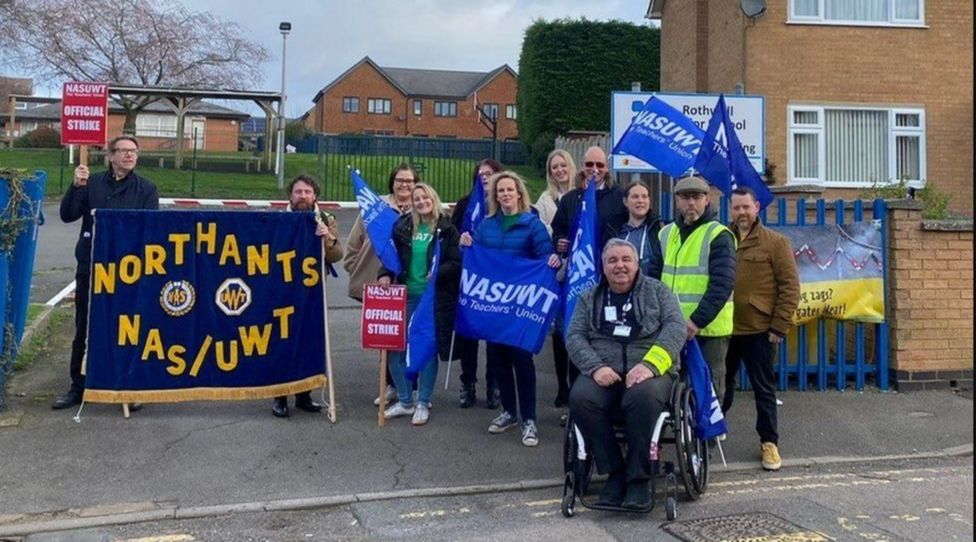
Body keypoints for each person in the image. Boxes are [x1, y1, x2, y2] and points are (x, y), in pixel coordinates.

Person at [567, 238, 686, 509]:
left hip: (650, 372)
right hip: (604, 371)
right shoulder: (589, 298)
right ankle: (615, 472)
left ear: (636, 264)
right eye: (612, 260)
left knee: (641, 398)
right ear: (603, 267)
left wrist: (650, 365)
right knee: (581, 399)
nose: (619, 266)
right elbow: (574, 336)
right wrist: (596, 367)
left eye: (626, 260)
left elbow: (675, 328)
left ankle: (638, 479)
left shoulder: (658, 291)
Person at [54, 135, 159, 410]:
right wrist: (76, 187)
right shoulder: (93, 183)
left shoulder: (146, 189)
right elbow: (68, 215)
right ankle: (78, 386)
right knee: (85, 326)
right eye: (123, 151)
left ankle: (129, 386)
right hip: (91, 266)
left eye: (134, 151)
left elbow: (151, 228)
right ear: (111, 156)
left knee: (128, 328)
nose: (129, 156)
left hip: (128, 272)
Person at [459, 171, 560, 447]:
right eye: (500, 191)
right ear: (495, 196)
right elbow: (475, 257)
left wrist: (552, 259)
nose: (505, 194)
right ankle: (509, 412)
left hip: (520, 307)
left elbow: (545, 256)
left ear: (518, 194)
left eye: (509, 190)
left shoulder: (532, 225)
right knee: (497, 358)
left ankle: (529, 419)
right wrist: (465, 246)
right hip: (495, 306)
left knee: (522, 361)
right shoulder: (486, 226)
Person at [723, 186, 800, 471]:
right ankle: (714, 430)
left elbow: (790, 287)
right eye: (736, 207)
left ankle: (769, 443)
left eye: (746, 207)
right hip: (724, 328)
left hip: (759, 330)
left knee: (763, 390)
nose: (741, 212)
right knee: (721, 384)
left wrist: (779, 326)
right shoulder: (722, 238)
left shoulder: (775, 243)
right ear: (730, 209)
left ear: (757, 207)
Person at [378, 183, 461, 425]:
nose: (422, 202)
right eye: (417, 199)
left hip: (432, 299)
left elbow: (456, 262)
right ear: (412, 203)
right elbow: (390, 255)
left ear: (433, 199)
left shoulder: (447, 229)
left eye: (426, 197)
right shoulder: (403, 226)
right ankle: (405, 400)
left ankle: (423, 401)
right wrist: (384, 274)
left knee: (425, 349)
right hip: (405, 295)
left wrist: (438, 272)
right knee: (395, 348)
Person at [659, 176, 737, 407]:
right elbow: (653, 279)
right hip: (672, 327)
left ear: (707, 200)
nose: (691, 203)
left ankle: (708, 431)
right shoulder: (665, 233)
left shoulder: (719, 234)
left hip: (707, 330)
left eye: (696, 197)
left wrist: (696, 321)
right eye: (685, 197)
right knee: (672, 387)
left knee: (707, 390)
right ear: (677, 201)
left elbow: (722, 284)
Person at [344, 164, 417, 406]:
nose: (404, 185)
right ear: (392, 182)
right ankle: (389, 385)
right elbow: (355, 242)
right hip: (380, 285)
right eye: (400, 180)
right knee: (386, 337)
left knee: (410, 337)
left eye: (409, 181)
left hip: (410, 285)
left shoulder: (421, 207)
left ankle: (410, 387)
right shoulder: (375, 207)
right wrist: (356, 267)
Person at [272, 174, 344, 418]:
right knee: (282, 343)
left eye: (307, 192)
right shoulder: (278, 219)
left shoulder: (326, 219)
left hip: (312, 292)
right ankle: (280, 396)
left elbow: (336, 255)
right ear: (290, 196)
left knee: (309, 342)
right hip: (282, 290)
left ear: (315, 196)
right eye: (298, 192)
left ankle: (304, 395)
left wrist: (326, 237)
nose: (303, 196)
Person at [450, 159, 502, 409]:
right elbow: (451, 235)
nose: (484, 177)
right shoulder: (465, 204)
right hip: (469, 280)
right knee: (468, 335)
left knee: (494, 338)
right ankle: (467, 382)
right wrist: (460, 241)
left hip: (497, 282)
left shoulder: (503, 204)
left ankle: (494, 385)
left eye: (489, 173)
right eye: (480, 174)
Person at [535, 149, 578, 409]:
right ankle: (562, 385)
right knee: (560, 331)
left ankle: (578, 383)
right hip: (559, 270)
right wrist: (556, 243)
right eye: (554, 167)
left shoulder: (582, 194)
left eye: (563, 165)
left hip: (581, 270)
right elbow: (542, 233)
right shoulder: (545, 200)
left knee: (579, 329)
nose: (560, 170)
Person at [550, 145, 628, 257]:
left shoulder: (620, 197)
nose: (595, 169)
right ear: (583, 166)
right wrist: (559, 241)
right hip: (578, 261)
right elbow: (558, 229)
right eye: (589, 164)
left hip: (610, 260)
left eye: (600, 165)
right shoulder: (569, 199)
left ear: (606, 168)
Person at [605, 181, 664, 279]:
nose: (640, 200)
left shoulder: (659, 228)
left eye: (644, 196)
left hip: (652, 285)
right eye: (635, 197)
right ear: (625, 201)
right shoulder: (613, 230)